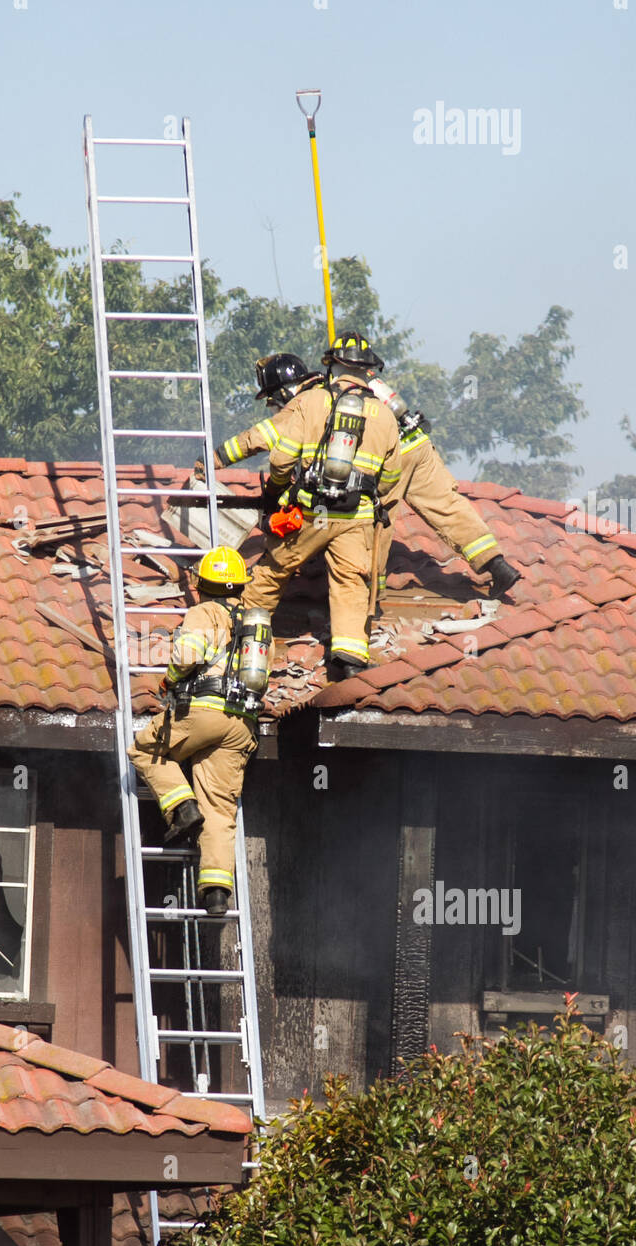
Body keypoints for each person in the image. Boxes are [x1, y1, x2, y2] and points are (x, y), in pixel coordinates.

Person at [214, 336, 401, 678]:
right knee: (351, 584)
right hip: (356, 517)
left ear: (332, 364)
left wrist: (277, 492)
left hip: (312, 513)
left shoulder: (311, 402)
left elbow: (282, 458)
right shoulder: (387, 417)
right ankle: (348, 661)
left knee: (272, 572)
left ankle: (237, 636)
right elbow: (390, 478)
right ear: (368, 370)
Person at [128, 547, 271, 921]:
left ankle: (181, 808)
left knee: (144, 750)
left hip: (204, 712)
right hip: (241, 724)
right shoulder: (253, 621)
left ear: (202, 583)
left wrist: (169, 680)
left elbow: (187, 656)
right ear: (239, 585)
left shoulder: (203, 612)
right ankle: (217, 892)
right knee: (221, 806)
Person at [363, 371, 521, 600]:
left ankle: (371, 598)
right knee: (448, 506)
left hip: (391, 454)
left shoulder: (331, 392)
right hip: (416, 443)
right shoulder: (370, 380)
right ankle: (498, 567)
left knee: (377, 519)